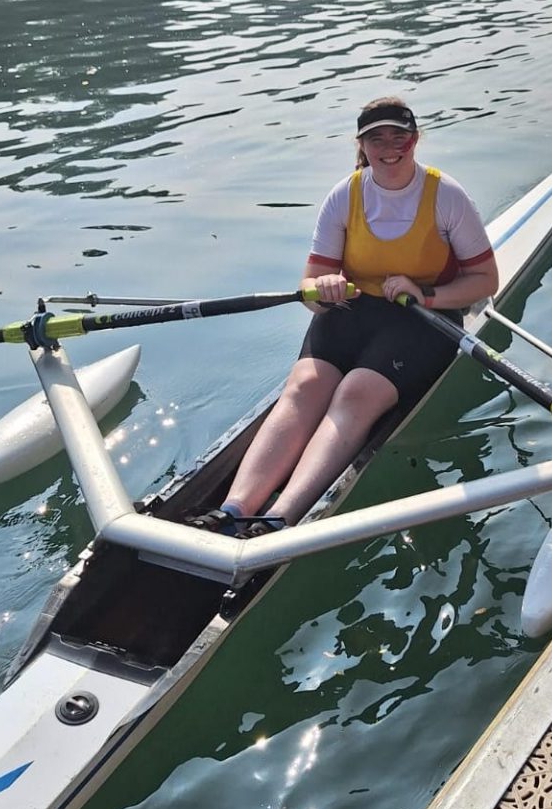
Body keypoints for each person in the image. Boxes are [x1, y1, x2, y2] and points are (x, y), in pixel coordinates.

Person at [198, 97, 498, 534]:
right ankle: (234, 510)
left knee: (357, 391)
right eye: (377, 138)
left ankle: (281, 520)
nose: (390, 147)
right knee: (304, 387)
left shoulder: (447, 196)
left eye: (400, 136)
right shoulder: (345, 196)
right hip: (354, 311)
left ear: (415, 140)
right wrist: (321, 291)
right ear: (363, 145)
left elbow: (486, 280)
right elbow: (311, 292)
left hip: (424, 316)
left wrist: (426, 294)